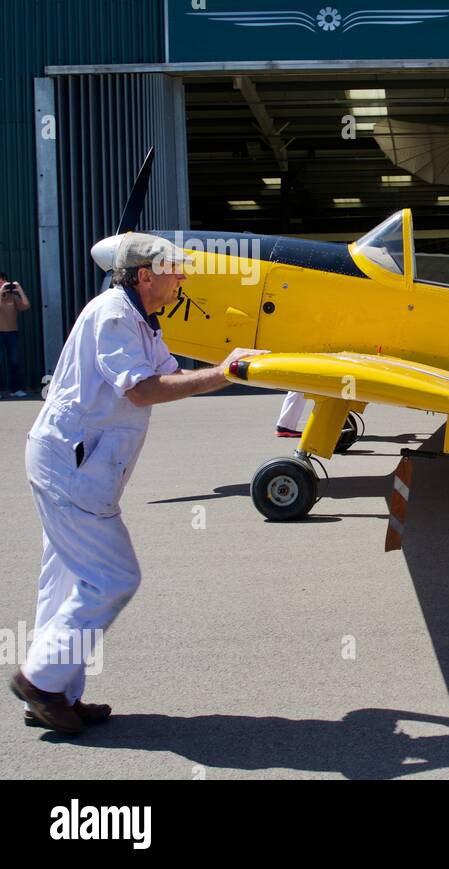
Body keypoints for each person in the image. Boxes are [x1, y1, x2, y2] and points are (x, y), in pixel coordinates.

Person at [9, 234, 263, 734]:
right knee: (113, 578)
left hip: (74, 460)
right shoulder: (114, 317)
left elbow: (169, 376)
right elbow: (144, 390)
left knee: (64, 581)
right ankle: (39, 682)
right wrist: (226, 373)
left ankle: (53, 692)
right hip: (73, 466)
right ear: (145, 275)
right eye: (174, 268)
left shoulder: (141, 321)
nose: (182, 277)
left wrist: (235, 366)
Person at [1, 272, 32, 398]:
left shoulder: (12, 297)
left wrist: (19, 290)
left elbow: (26, 305)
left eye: (3, 281)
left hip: (12, 333)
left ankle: (15, 389)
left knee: (14, 362)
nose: (1, 284)